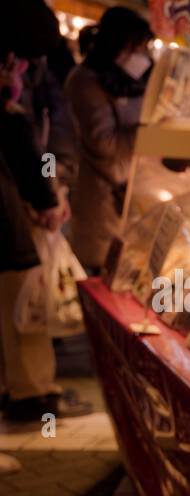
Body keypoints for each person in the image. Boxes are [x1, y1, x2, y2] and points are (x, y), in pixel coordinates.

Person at [1, 6, 89, 424]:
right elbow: (21, 137)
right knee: (22, 298)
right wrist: (42, 196)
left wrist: (54, 186)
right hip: (15, 205)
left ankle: (33, 390)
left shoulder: (36, 71)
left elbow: (54, 136)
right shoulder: (16, 81)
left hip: (29, 198)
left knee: (23, 300)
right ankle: (30, 394)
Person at [63, 6, 153, 273]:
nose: (143, 56)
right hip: (100, 202)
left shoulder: (127, 80)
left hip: (128, 196)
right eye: (138, 49)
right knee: (100, 275)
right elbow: (104, 143)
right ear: (121, 45)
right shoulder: (84, 82)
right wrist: (150, 133)